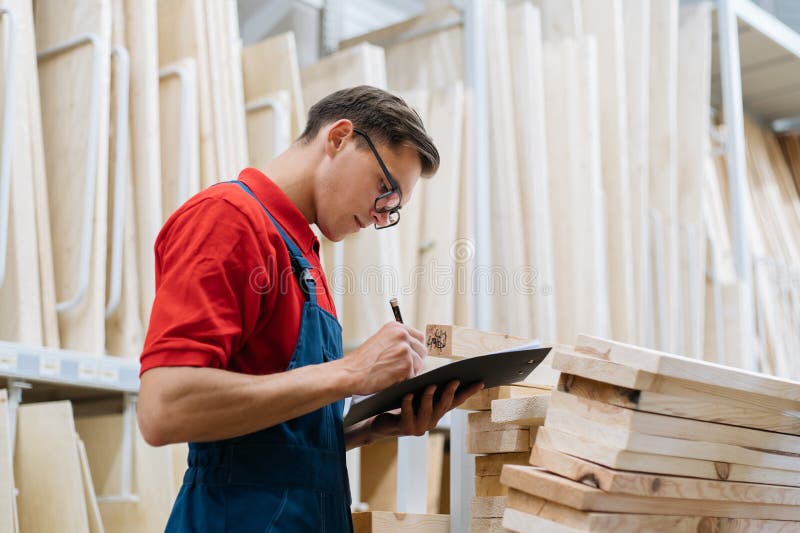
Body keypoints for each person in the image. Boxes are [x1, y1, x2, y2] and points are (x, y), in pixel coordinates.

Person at [137, 85, 483, 532]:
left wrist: (368, 429)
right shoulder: (228, 219)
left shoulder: (303, 254)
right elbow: (163, 408)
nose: (382, 216)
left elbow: (268, 447)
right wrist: (352, 372)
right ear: (338, 138)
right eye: (385, 189)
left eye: (394, 208)